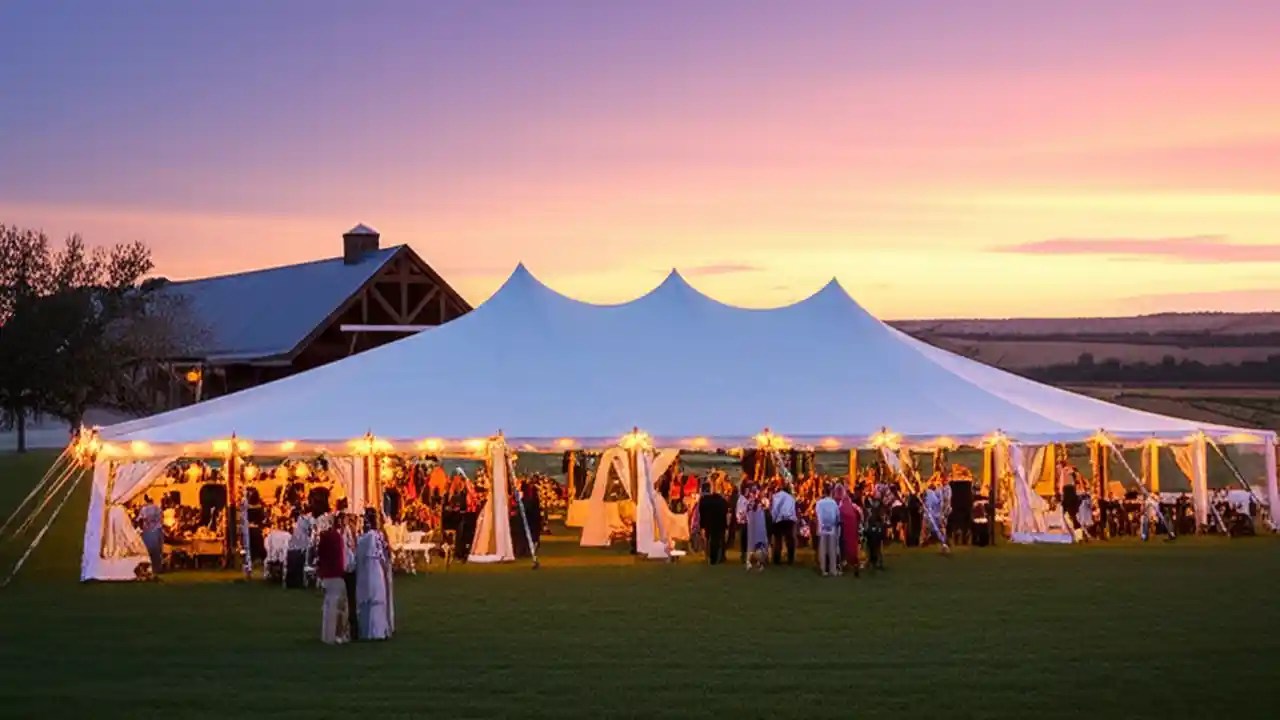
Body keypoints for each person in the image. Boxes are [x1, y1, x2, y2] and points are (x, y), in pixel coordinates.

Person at [356, 510, 395, 640]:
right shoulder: (377, 535)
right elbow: (385, 552)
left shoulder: (367, 537)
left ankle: (371, 631)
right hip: (376, 567)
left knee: (372, 597)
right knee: (376, 597)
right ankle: (378, 630)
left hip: (369, 568)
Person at [315, 514, 349, 645]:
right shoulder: (336, 538)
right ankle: (338, 634)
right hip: (336, 574)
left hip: (326, 575)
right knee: (339, 607)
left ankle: (327, 635)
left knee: (328, 606)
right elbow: (341, 557)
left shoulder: (324, 538)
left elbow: (320, 556)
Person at [697, 482, 728, 565]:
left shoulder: (704, 500)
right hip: (720, 523)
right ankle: (720, 557)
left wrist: (702, 525)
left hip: (709, 522)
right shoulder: (722, 501)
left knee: (709, 540)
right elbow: (725, 511)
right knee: (719, 540)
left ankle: (710, 557)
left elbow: (701, 513)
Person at [769, 482, 798, 565]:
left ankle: (777, 559)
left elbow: (774, 509)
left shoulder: (776, 496)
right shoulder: (791, 498)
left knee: (778, 539)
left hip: (779, 519)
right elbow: (793, 510)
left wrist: (774, 520)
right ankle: (790, 559)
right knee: (790, 539)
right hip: (789, 520)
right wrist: (794, 519)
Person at [815, 486, 841, 577]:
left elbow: (817, 514)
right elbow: (838, 514)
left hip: (822, 527)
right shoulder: (833, 502)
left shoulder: (819, 502)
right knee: (832, 549)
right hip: (832, 527)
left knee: (823, 549)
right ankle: (832, 570)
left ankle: (823, 569)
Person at [838, 487, 864, 576]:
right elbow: (861, 514)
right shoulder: (854, 506)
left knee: (844, 545)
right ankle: (855, 562)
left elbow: (838, 517)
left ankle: (844, 562)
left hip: (845, 530)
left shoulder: (841, 506)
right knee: (855, 546)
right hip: (855, 529)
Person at [137, 495, 164, 574]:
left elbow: (140, 519)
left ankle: (149, 568)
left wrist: (141, 528)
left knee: (148, 551)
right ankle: (157, 568)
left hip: (148, 531)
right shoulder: (157, 508)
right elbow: (161, 519)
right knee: (157, 551)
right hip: (157, 530)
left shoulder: (144, 509)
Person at [743, 488, 769, 569]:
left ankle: (759, 561)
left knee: (758, 543)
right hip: (754, 526)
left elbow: (765, 508)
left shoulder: (760, 502)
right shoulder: (751, 503)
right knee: (753, 543)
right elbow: (748, 510)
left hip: (759, 526)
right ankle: (750, 561)